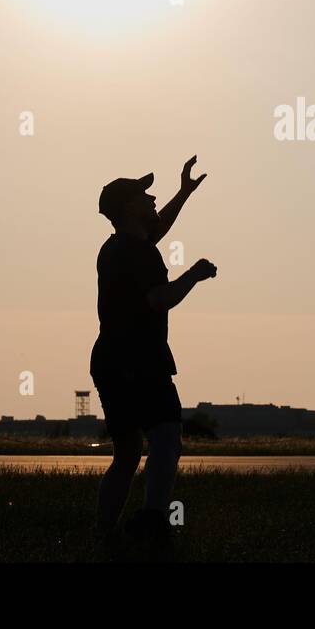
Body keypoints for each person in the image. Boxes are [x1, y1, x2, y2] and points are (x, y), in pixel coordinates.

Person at [91, 157, 217, 552]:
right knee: (166, 436)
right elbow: (159, 299)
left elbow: (155, 230)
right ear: (130, 207)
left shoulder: (119, 247)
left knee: (127, 453)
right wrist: (193, 276)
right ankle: (152, 520)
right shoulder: (140, 254)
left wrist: (184, 192)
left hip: (109, 359)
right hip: (140, 358)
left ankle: (104, 534)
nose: (152, 199)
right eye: (145, 195)